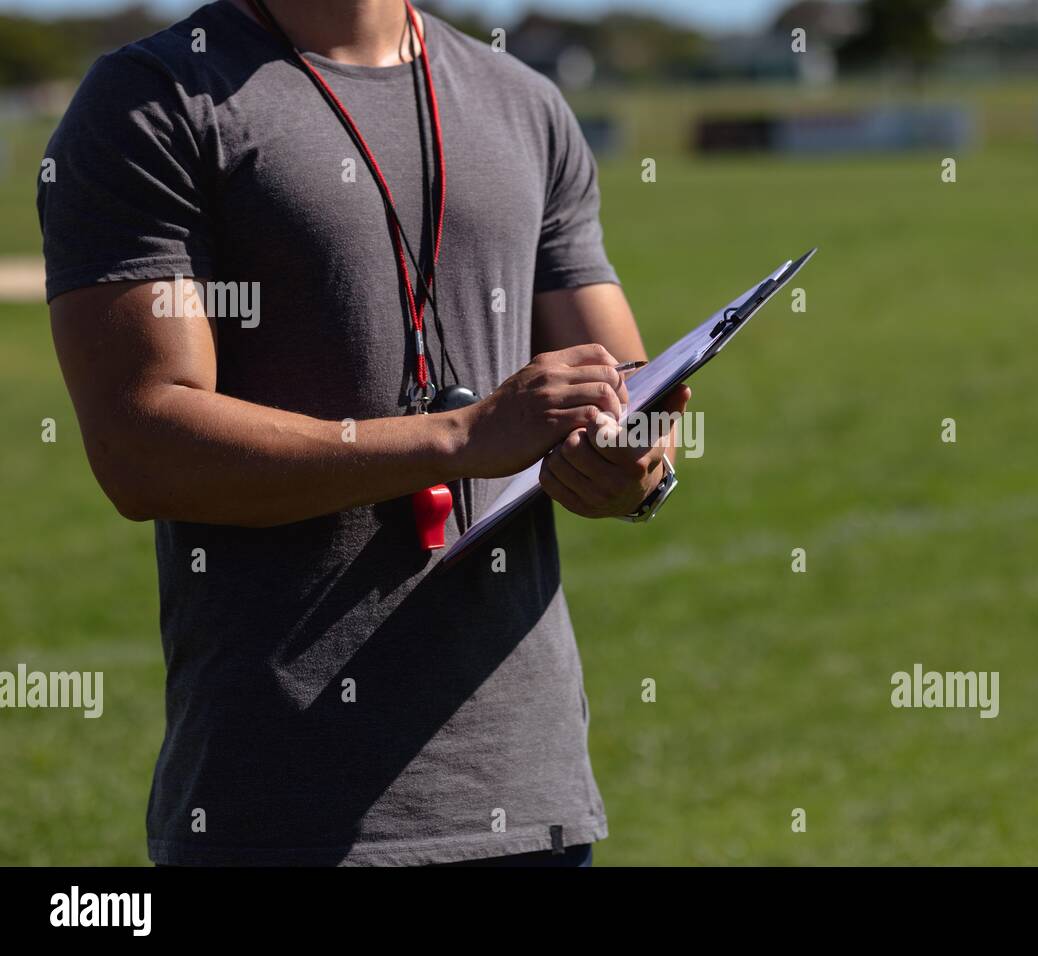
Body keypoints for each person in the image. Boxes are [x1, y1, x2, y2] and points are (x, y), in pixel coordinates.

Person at [37, 0, 688, 866]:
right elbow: (142, 442)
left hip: (529, 796)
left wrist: (633, 466)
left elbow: (628, 382)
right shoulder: (152, 99)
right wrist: (457, 438)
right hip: (282, 810)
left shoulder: (522, 99)